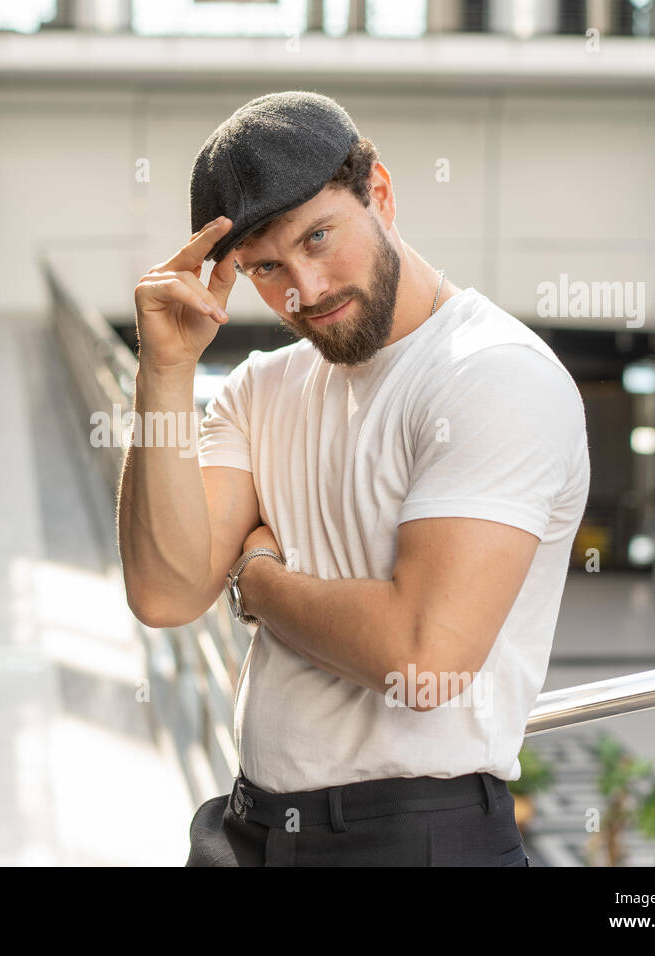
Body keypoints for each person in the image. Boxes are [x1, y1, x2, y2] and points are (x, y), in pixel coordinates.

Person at [117, 90, 590, 866]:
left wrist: (257, 579)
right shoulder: (260, 388)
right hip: (254, 828)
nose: (305, 285)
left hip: (414, 839)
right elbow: (165, 593)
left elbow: (423, 659)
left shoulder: (491, 376)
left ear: (382, 195)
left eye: (320, 236)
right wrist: (164, 372)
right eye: (266, 267)